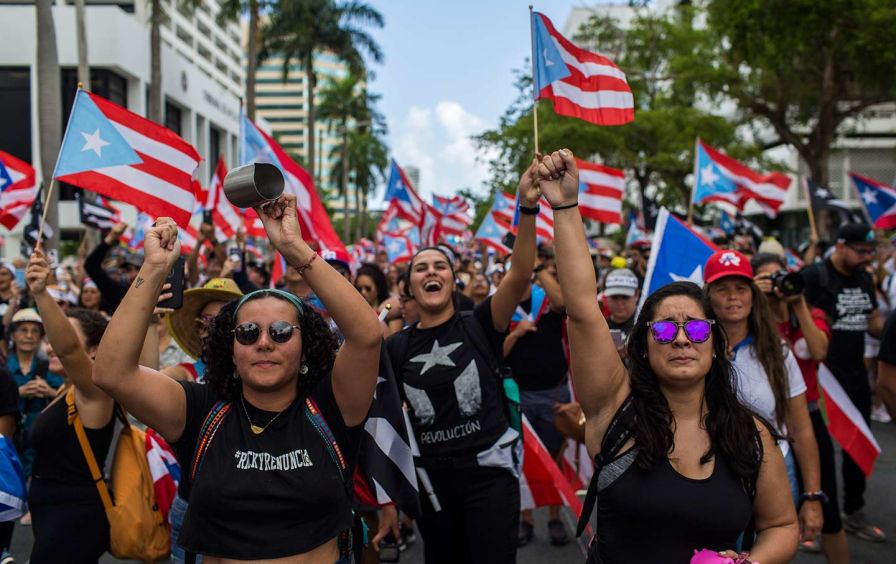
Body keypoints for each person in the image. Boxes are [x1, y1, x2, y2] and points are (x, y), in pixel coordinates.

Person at [539, 148, 798, 564]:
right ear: (642, 345)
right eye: (663, 328)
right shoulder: (614, 412)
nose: (681, 339)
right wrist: (567, 206)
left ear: (717, 345)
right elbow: (584, 308)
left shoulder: (751, 436)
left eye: (696, 328)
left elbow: (781, 526)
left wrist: (752, 562)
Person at [93, 193, 382, 562]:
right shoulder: (200, 411)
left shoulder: (331, 406)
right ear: (230, 350)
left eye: (280, 332)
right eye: (247, 332)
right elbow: (111, 372)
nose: (264, 343)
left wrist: (294, 249)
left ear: (306, 347)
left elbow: (367, 335)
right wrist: (154, 269)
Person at [384, 160, 539, 563]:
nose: (431, 272)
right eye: (421, 268)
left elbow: (521, 273)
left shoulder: (482, 323)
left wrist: (527, 207)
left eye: (440, 266)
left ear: (453, 281)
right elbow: (382, 422)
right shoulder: (397, 348)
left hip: (490, 476)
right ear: (409, 288)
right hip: (432, 481)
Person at [704, 250, 823, 545]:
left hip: (775, 476)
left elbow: (801, 428)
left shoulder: (778, 353)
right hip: (710, 480)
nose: (733, 297)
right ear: (707, 296)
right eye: (722, 289)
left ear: (753, 295)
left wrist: (812, 496)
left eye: (741, 288)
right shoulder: (692, 350)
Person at [752, 253, 850, 562]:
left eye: (781, 275)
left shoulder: (806, 313)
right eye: (768, 279)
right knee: (766, 517)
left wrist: (797, 303)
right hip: (766, 423)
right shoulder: (749, 319)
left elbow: (819, 350)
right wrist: (754, 297)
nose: (778, 284)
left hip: (805, 417)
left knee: (828, 508)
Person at [23, 246, 116, 563]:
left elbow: (67, 348)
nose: (50, 347)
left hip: (74, 517)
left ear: (92, 349)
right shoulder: (65, 392)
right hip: (52, 515)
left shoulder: (95, 390)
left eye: (58, 339)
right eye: (48, 340)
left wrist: (41, 294)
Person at [801, 223, 886, 542]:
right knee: (816, 450)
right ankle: (813, 517)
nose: (867, 257)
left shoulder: (865, 278)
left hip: (855, 377)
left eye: (870, 252)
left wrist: (889, 330)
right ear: (840, 246)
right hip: (820, 378)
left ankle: (853, 510)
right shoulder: (815, 276)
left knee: (856, 445)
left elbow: (874, 321)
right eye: (861, 251)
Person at [504, 260, 568, 547]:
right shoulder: (502, 306)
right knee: (521, 460)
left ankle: (555, 518)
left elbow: (564, 302)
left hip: (553, 394)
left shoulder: (546, 301)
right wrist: (517, 333)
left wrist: (540, 267)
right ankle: (525, 520)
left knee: (556, 459)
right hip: (519, 395)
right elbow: (496, 352)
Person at [6, 308, 63, 479]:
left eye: (35, 331)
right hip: (9, 443)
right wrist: (17, 393)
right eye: (23, 330)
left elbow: (68, 397)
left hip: (40, 445)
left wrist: (50, 391)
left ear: (40, 337)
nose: (29, 336)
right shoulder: (5, 370)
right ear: (13, 336)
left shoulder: (50, 368)